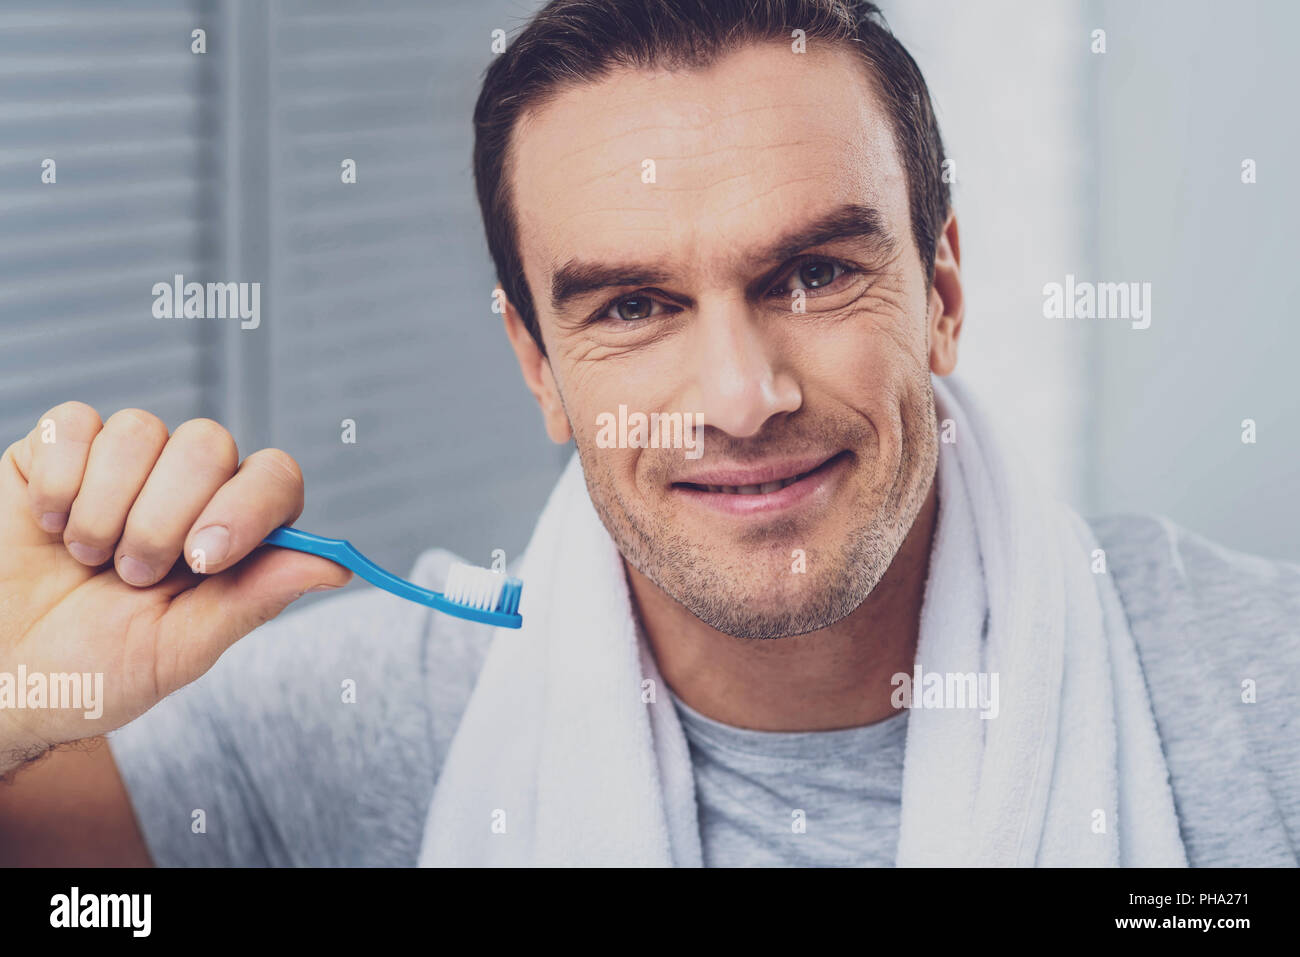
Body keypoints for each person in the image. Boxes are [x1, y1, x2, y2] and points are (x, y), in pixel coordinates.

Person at [1, 0, 1296, 867]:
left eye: (812, 275)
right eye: (632, 304)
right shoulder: (369, 715)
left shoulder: (1257, 683)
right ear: (538, 365)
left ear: (942, 292)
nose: (740, 397)